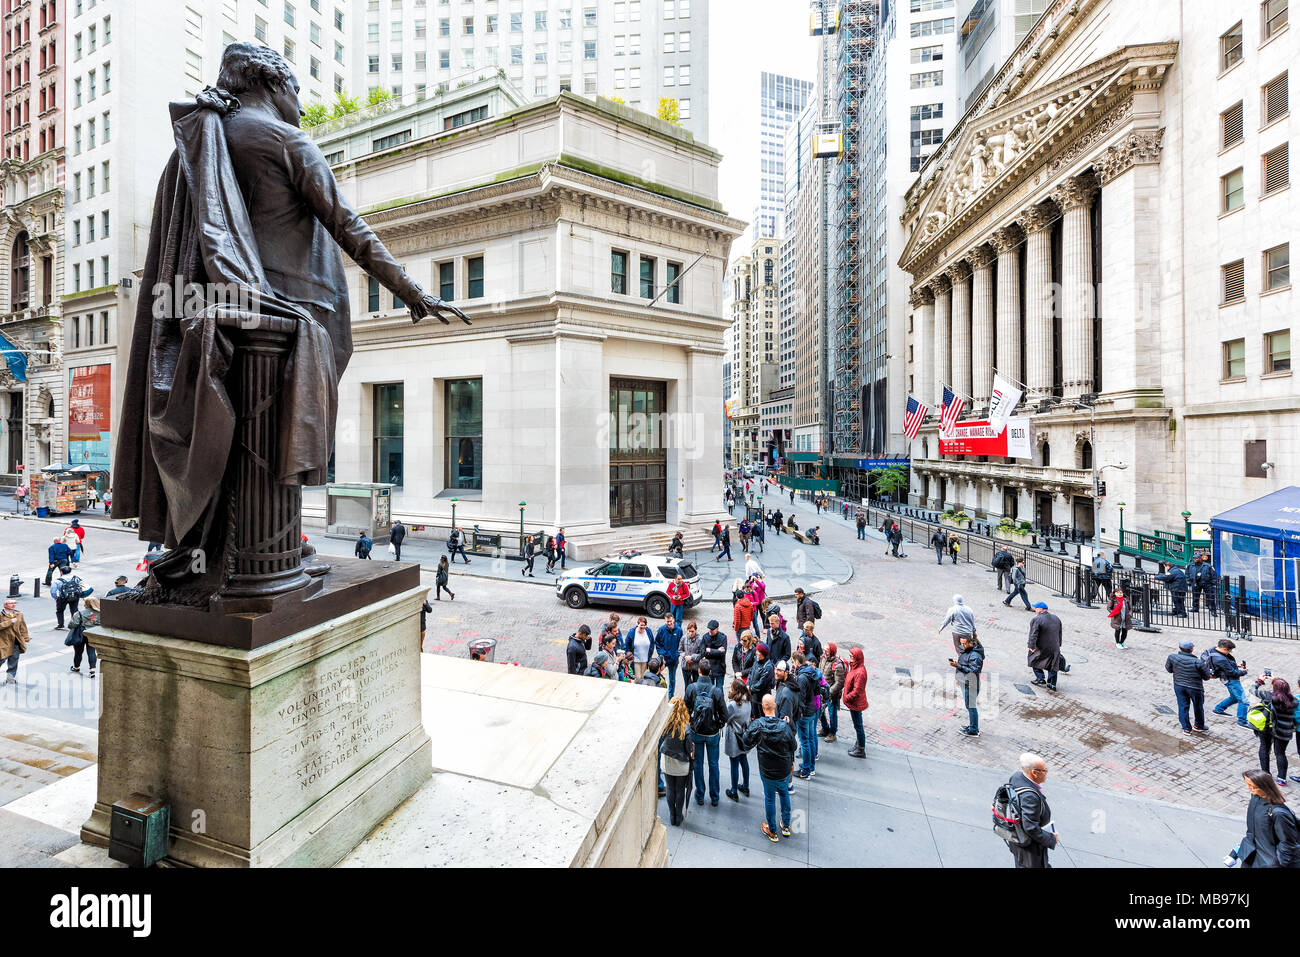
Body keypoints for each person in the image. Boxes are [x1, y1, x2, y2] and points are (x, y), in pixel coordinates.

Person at [740, 693, 799, 843]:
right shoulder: (784, 727)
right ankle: (786, 825)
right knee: (784, 794)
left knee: (770, 798)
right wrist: (787, 725)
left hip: (767, 770)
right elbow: (794, 746)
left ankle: (772, 830)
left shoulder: (759, 725)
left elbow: (746, 740)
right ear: (775, 706)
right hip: (783, 769)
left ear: (762, 707)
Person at [683, 660, 727, 807]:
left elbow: (685, 709)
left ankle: (700, 794)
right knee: (714, 765)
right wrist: (718, 724)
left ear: (699, 672)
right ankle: (715, 796)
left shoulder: (691, 688)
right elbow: (725, 715)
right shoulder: (716, 691)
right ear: (710, 672)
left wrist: (691, 722)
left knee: (698, 764)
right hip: (712, 734)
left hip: (696, 732)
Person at [1004, 753, 1058, 868]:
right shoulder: (1030, 796)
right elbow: (1030, 827)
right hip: (1029, 847)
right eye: (1045, 770)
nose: (1046, 773)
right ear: (1034, 773)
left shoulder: (1016, 776)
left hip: (1016, 837)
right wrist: (1051, 838)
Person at [1237, 769, 1300, 867]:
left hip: (1268, 863)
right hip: (1252, 858)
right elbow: (1251, 832)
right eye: (1248, 785)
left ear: (1265, 787)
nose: (1250, 789)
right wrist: (1235, 852)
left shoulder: (1279, 813)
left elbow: (1288, 844)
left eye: (1253, 787)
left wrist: (1281, 864)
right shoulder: (1255, 799)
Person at [1252, 677, 1298, 784]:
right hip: (1284, 730)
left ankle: (1266, 773)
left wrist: (1259, 681)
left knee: (1264, 748)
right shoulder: (1294, 700)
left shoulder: (1269, 696)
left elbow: (1252, 690)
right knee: (1280, 753)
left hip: (1268, 728)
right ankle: (1281, 778)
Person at [658, 697, 694, 827]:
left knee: (670, 789)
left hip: (667, 762)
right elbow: (689, 749)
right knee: (679, 790)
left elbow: (661, 740)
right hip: (681, 764)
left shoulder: (666, 725)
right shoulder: (686, 728)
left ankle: (672, 815)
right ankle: (678, 817)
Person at [1165, 639, 1213, 734]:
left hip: (1179, 685)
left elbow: (1169, 669)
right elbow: (1206, 677)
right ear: (1192, 649)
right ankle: (1199, 725)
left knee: (1183, 706)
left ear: (1179, 648)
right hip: (1195, 688)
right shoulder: (1198, 662)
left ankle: (1186, 728)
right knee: (1198, 706)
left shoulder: (1172, 657)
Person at [1208, 639, 1250, 727]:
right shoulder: (1220, 659)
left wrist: (1236, 665)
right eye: (1229, 650)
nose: (1230, 652)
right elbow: (1232, 672)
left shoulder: (1214, 650)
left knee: (1234, 697)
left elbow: (1225, 666)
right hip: (1231, 680)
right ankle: (1242, 721)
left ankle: (1219, 709)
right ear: (1224, 649)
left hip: (1226, 678)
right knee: (1243, 700)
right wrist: (1244, 672)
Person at [793, 651, 821, 778]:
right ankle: (810, 767)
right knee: (810, 739)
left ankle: (805, 770)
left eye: (793, 662)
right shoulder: (812, 673)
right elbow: (816, 691)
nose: (793, 665)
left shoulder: (801, 677)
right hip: (813, 710)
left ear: (797, 662)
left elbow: (801, 698)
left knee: (804, 742)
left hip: (805, 713)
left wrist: (799, 713)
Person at [949, 634, 984, 737]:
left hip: (970, 685)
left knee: (971, 707)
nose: (962, 646)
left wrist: (957, 665)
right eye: (961, 643)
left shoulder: (975, 656)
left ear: (971, 643)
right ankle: (972, 726)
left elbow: (973, 671)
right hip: (965, 682)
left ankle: (973, 730)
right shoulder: (968, 651)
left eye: (964, 644)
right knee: (969, 706)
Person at [1027, 601, 1063, 691]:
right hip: (1055, 646)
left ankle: (1040, 678)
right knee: (1053, 664)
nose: (1035, 609)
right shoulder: (1056, 618)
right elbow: (1060, 633)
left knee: (1033, 658)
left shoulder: (1037, 619)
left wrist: (1032, 646)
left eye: (1036, 607)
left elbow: (1033, 634)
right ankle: (1052, 683)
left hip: (1042, 646)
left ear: (1042, 609)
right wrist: (1059, 644)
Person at [843, 648, 869, 758]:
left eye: (852, 657)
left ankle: (861, 749)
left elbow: (857, 691)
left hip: (856, 703)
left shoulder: (860, 672)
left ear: (857, 658)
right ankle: (858, 744)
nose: (850, 659)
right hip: (854, 702)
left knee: (858, 726)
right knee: (857, 724)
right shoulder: (855, 667)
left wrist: (846, 698)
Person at [67, 597, 102, 678]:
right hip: (93, 634)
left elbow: (71, 625)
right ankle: (92, 670)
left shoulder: (79, 613)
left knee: (78, 652)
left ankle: (76, 667)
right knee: (92, 651)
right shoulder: (100, 613)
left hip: (81, 634)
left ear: (86, 604)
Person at [820, 642, 847, 742]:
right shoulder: (823, 659)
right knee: (820, 712)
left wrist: (828, 692)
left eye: (827, 651)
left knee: (832, 714)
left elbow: (839, 683)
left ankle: (832, 733)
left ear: (832, 651)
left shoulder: (838, 665)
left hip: (832, 694)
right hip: (822, 692)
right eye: (824, 650)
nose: (825, 652)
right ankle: (825, 728)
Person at [0, 597, 30, 686]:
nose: (13, 605)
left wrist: (26, 637)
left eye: (15, 603)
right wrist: (9, 622)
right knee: (1, 660)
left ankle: (10, 678)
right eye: (11, 603)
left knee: (14, 661)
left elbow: (22, 627)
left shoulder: (19, 614)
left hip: (15, 642)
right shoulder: (1, 615)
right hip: (3, 642)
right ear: (5, 605)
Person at [653, 614, 682, 697]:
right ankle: (659, 694)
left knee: (672, 679)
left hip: (673, 659)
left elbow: (681, 644)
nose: (669, 623)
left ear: (673, 620)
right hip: (663, 659)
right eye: (667, 622)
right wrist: (661, 655)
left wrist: (677, 654)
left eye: (670, 621)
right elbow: (657, 642)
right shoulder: (661, 629)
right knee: (657, 676)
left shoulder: (679, 630)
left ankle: (670, 696)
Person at [748, 643, 775, 720]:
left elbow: (761, 684)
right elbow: (751, 672)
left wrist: (750, 688)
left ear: (763, 654)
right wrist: (748, 684)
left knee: (761, 719)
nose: (756, 652)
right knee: (754, 718)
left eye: (758, 651)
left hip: (761, 700)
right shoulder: (756, 660)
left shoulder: (768, 667)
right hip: (754, 698)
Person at [625, 615, 656, 680]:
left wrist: (650, 653)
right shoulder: (632, 632)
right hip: (636, 660)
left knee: (644, 677)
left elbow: (652, 642)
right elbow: (627, 644)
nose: (642, 627)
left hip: (646, 660)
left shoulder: (648, 631)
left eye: (644, 625)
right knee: (638, 678)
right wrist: (629, 655)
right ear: (638, 624)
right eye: (641, 625)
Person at [701, 620, 728, 689]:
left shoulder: (723, 637)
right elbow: (703, 653)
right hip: (709, 669)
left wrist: (710, 650)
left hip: (720, 668)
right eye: (709, 629)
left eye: (712, 629)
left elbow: (723, 653)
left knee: (719, 689)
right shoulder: (705, 637)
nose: (710, 631)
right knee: (710, 690)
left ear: (717, 629)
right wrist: (717, 651)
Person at [679, 620, 704, 689]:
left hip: (696, 667)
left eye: (692, 631)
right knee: (687, 686)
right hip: (685, 666)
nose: (690, 633)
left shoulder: (700, 640)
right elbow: (680, 650)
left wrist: (692, 657)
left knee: (696, 686)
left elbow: (702, 653)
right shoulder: (684, 638)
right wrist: (685, 657)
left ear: (696, 630)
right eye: (689, 631)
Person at [1107, 585, 1132, 649]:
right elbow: (1109, 608)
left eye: (1121, 592)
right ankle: (1117, 643)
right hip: (1117, 618)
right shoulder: (1113, 600)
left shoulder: (1126, 600)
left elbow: (1130, 608)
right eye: (1118, 593)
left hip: (1126, 618)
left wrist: (1130, 614)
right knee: (1118, 630)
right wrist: (1114, 613)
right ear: (1115, 593)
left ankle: (1122, 642)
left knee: (1125, 631)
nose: (1120, 594)